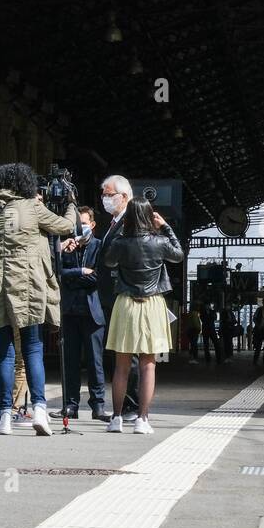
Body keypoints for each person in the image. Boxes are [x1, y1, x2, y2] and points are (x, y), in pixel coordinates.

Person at [0, 162, 76, 436]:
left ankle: (5, 415)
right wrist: (70, 202)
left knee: (3, 350)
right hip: (27, 284)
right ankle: (40, 410)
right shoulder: (32, 207)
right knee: (32, 347)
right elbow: (65, 226)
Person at [102, 197, 184, 435]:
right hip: (152, 305)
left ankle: (116, 418)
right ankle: (142, 419)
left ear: (128, 217)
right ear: (150, 217)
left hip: (125, 304)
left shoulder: (122, 242)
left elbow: (108, 261)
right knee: (148, 366)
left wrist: (119, 229)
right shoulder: (159, 242)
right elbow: (178, 254)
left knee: (121, 366)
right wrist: (166, 227)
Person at [59, 205, 107, 421]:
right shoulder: (67, 246)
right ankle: (71, 405)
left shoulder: (100, 247)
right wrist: (79, 272)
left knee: (95, 361)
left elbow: (98, 277)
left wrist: (73, 278)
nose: (80, 228)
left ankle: (98, 406)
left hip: (92, 313)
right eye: (77, 225)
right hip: (69, 312)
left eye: (84, 224)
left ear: (93, 225)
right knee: (70, 361)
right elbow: (58, 273)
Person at [95, 175, 137, 418]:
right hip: (109, 295)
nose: (105, 200)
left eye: (109, 195)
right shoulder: (112, 223)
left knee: (127, 351)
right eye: (103, 195)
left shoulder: (129, 224)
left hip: (121, 293)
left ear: (124, 197)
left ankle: (131, 403)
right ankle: (124, 403)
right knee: (116, 351)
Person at [252, 300, 264, 365]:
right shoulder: (259, 309)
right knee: (258, 346)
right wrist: (258, 325)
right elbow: (254, 318)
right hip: (260, 329)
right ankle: (256, 360)